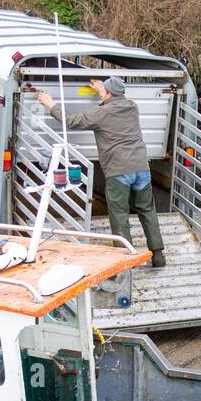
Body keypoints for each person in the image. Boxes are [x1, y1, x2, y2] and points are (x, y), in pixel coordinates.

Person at [35, 77, 165, 267]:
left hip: (119, 171)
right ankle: (158, 253)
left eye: (104, 89)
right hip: (141, 168)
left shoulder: (101, 113)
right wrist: (101, 91)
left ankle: (127, 258)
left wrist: (51, 103)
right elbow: (111, 103)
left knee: (120, 215)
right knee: (147, 210)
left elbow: (71, 121)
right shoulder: (132, 107)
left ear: (109, 93)